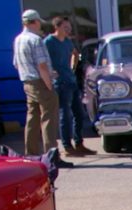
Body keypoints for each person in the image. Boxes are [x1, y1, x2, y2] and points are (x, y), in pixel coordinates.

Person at [12, 9, 70, 166]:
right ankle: (52, 157)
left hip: (27, 82)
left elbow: (16, 64)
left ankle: (30, 155)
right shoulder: (36, 40)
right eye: (38, 22)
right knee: (49, 119)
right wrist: (49, 84)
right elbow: (42, 65)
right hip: (40, 82)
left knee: (32, 118)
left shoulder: (18, 39)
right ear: (35, 22)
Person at [44, 16, 95, 157]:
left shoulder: (67, 41)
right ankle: (67, 146)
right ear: (57, 27)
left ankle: (79, 143)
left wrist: (72, 67)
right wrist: (50, 72)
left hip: (71, 81)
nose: (68, 30)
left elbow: (75, 53)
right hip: (60, 83)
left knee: (79, 114)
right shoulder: (48, 42)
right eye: (65, 27)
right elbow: (42, 59)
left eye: (69, 27)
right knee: (65, 115)